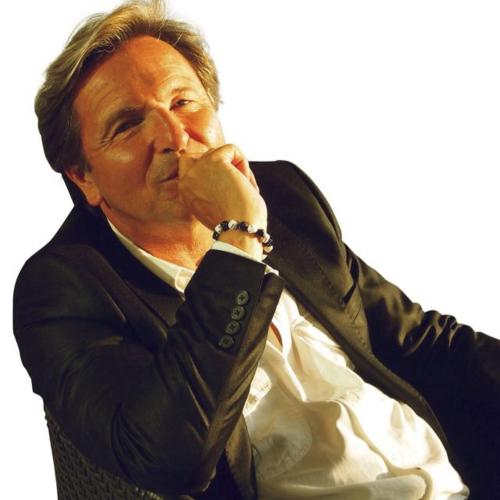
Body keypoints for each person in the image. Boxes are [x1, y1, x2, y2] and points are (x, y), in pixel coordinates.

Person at [12, 1, 499, 498]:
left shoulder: (281, 195)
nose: (174, 136)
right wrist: (238, 241)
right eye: (128, 125)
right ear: (84, 177)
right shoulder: (60, 291)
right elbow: (164, 455)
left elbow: (419, 340)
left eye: (183, 102)